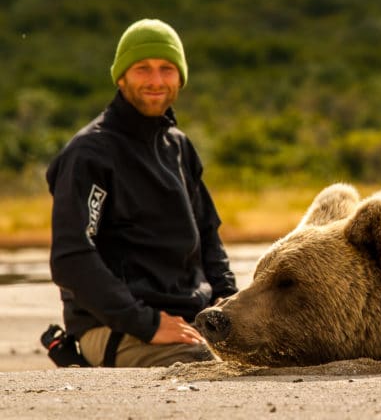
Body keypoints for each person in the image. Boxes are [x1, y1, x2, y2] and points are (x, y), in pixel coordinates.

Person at [45, 19, 237, 367]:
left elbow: (209, 239)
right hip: (116, 326)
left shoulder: (179, 147)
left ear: (180, 77)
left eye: (166, 69)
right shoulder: (90, 153)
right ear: (121, 77)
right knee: (212, 369)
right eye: (142, 69)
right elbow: (71, 257)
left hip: (190, 320)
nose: (155, 80)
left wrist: (228, 304)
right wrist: (147, 323)